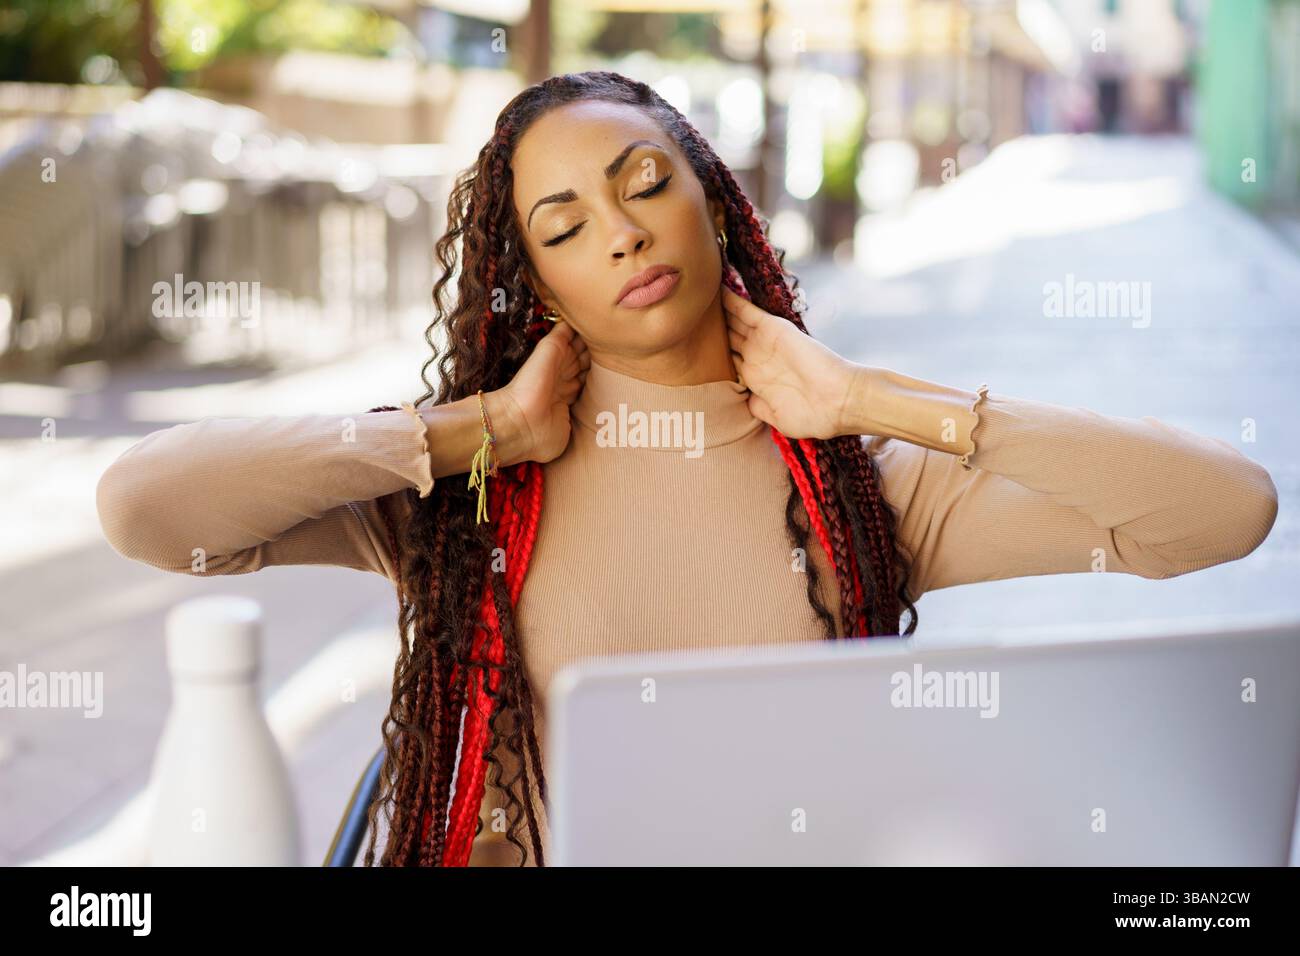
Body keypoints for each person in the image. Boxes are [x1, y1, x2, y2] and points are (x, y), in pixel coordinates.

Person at [95, 71, 1278, 868]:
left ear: (712, 197)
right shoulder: (468, 498)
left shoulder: (859, 485)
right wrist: (466, 433)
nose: (617, 231)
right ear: (540, 284)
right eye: (561, 228)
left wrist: (871, 399)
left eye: (643, 182)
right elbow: (146, 508)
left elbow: (1223, 512)